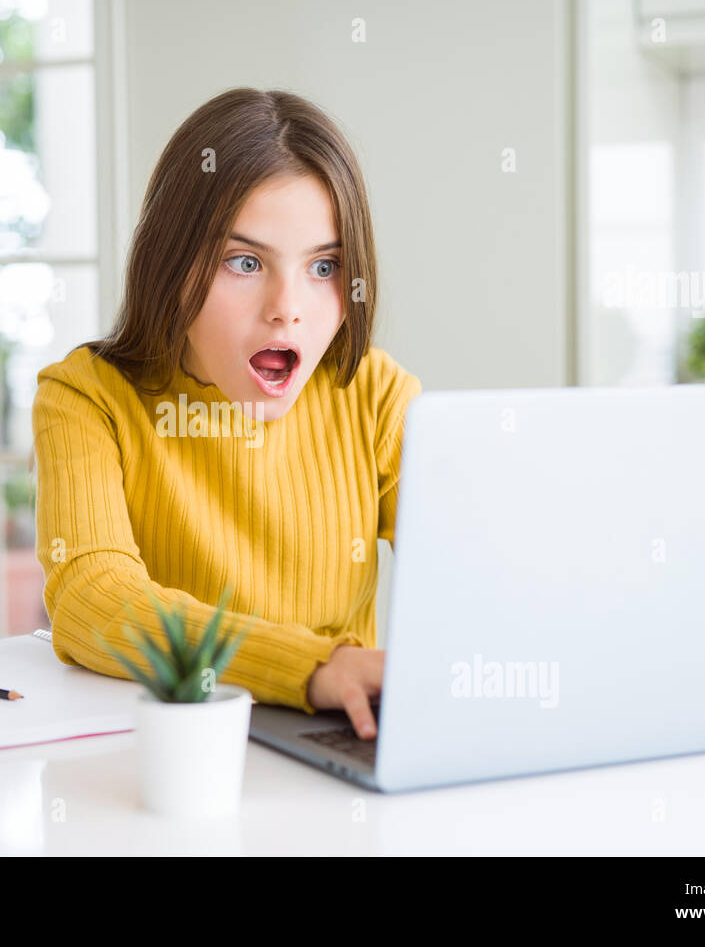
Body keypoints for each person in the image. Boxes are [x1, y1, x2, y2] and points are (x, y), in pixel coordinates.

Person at [32, 87, 421, 740]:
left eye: (324, 266)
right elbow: (91, 597)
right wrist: (311, 666)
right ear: (171, 262)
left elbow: (476, 573)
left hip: (338, 758)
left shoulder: (374, 394)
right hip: (161, 761)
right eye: (244, 262)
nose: (287, 308)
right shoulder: (87, 397)